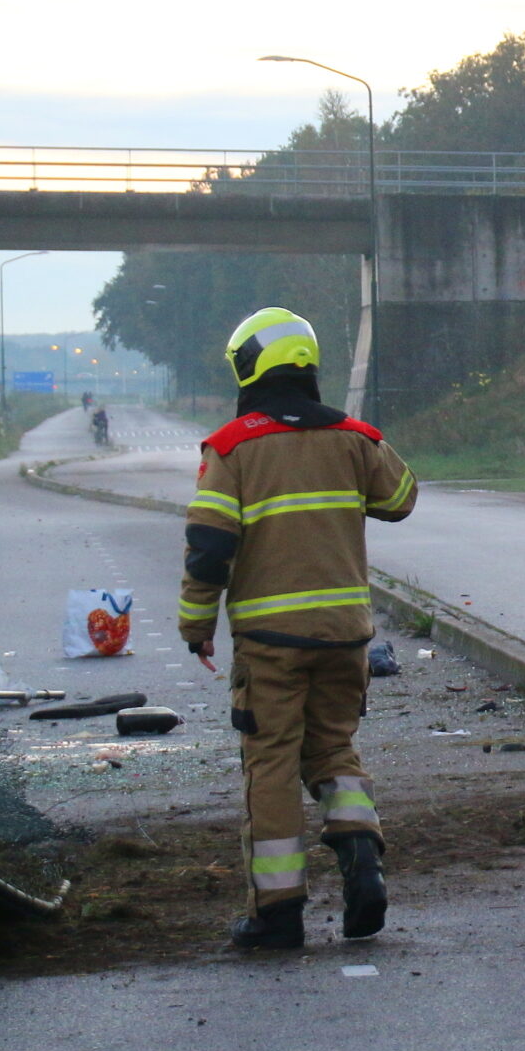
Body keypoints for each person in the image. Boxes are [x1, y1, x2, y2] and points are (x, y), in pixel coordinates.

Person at [178, 309, 417, 951]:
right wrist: (360, 442)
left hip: (270, 644)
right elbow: (400, 499)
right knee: (335, 748)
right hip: (346, 636)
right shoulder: (355, 437)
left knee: (272, 765)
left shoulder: (231, 448)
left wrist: (196, 622)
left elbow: (208, 547)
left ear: (248, 366)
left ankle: (277, 910)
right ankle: (362, 857)